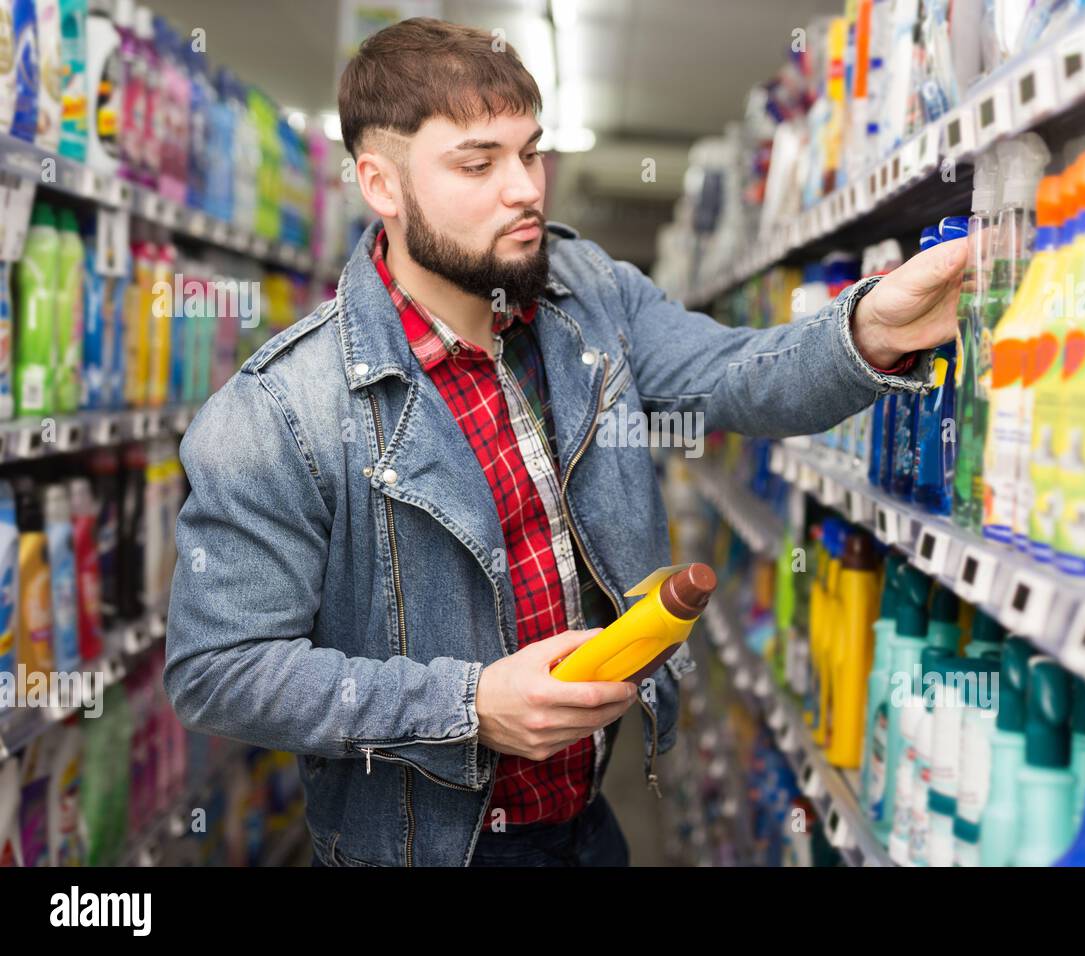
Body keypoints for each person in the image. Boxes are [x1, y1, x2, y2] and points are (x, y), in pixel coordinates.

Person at [163, 17, 966, 868]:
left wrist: (869, 329)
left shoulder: (586, 293)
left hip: (589, 827)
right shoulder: (281, 410)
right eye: (478, 163)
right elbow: (220, 669)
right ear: (381, 185)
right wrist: (468, 705)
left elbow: (732, 373)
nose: (525, 189)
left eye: (531, 152)